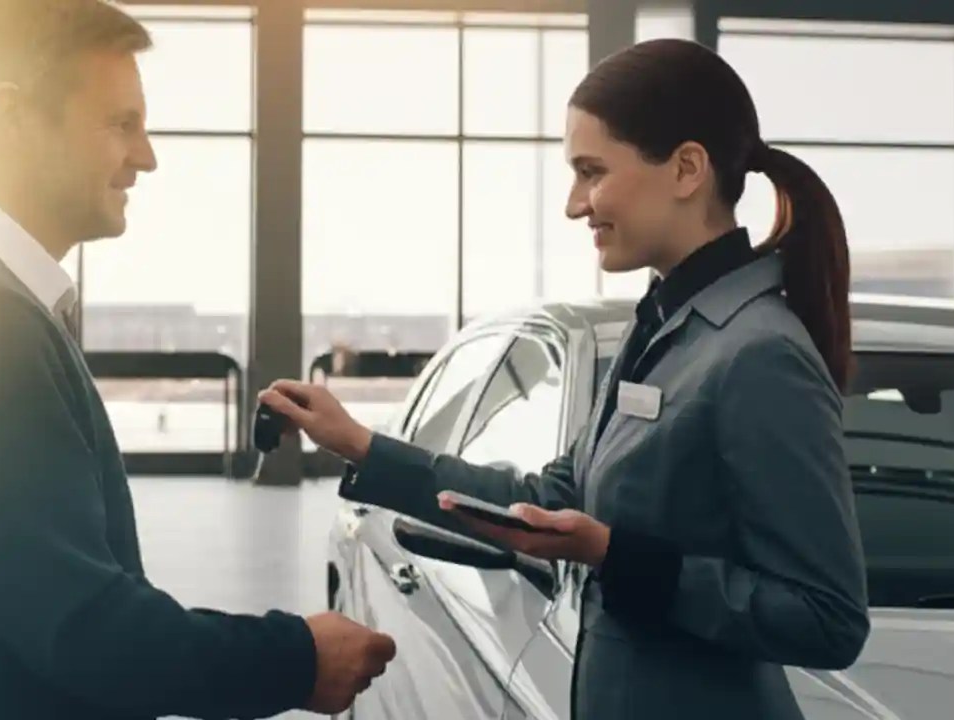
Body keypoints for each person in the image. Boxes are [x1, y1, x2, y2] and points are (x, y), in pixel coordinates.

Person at [259, 38, 870, 720]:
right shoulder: (663, 325)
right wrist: (362, 445)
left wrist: (615, 556)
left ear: (687, 168)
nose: (576, 205)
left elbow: (827, 618)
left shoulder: (759, 356)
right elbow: (552, 496)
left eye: (592, 171)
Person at [0, 1, 394, 718]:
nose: (146, 156)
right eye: (121, 124)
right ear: (14, 117)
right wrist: (297, 660)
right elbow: (81, 626)